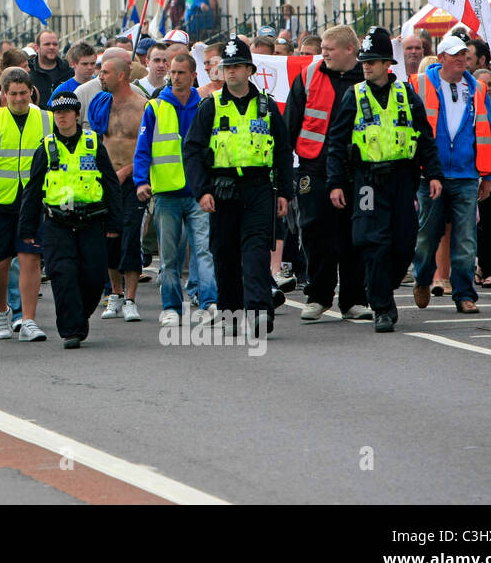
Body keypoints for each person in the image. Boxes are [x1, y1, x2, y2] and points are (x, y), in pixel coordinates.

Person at [326, 27, 444, 333]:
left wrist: (433, 174)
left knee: (404, 243)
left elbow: (426, 138)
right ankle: (380, 307)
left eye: (373, 61)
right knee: (372, 241)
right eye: (364, 61)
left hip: (403, 178)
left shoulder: (407, 95)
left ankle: (384, 285)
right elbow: (336, 143)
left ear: (387, 64)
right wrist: (336, 182)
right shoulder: (354, 96)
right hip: (367, 180)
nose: (366, 65)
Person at [184, 37, 294, 336]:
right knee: (225, 253)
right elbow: (192, 150)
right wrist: (202, 190)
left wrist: (284, 192)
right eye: (227, 67)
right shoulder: (211, 107)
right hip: (222, 190)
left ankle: (259, 310)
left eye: (237, 67)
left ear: (250, 70)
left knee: (256, 252)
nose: (231, 72)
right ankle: (230, 311)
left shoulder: (266, 106)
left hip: (259, 189)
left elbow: (283, 151)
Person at [19, 91, 120, 348]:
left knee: (94, 276)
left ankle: (78, 316)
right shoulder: (47, 146)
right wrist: (27, 227)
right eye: (57, 112)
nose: (61, 116)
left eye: (67, 112)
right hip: (57, 221)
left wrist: (115, 223)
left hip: (92, 220)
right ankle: (71, 331)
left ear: (77, 115)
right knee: (62, 273)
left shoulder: (93, 142)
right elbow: (33, 189)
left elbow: (110, 184)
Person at [286, 25, 371, 321]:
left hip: (357, 170)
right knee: (315, 231)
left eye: (330, 49)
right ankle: (318, 296)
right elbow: (291, 122)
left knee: (355, 235)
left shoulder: (366, 77)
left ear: (350, 49)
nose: (323, 53)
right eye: (322, 48)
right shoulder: (309, 75)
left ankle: (353, 299)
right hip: (315, 167)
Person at [409, 35, 491, 314]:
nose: (460, 58)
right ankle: (422, 278)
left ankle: (464, 294)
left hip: (466, 174)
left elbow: (485, 132)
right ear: (441, 57)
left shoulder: (478, 89)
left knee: (466, 238)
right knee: (427, 237)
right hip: (431, 175)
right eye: (454, 54)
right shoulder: (419, 83)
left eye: (464, 54)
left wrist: (487, 175)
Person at [134, 53, 218, 326]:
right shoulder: (155, 107)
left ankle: (209, 303)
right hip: (167, 192)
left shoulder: (206, 105)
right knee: (169, 257)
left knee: (204, 250)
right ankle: (171, 306)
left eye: (182, 72)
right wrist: (141, 180)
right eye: (173, 72)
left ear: (194, 76)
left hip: (198, 192)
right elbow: (143, 148)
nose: (175, 77)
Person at [0, 67, 52, 341]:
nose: (20, 99)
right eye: (14, 94)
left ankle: (28, 319)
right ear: (3, 94)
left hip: (33, 202)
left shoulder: (46, 119)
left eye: (24, 93)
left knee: (31, 259)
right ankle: (1, 311)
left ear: (31, 92)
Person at [91, 50, 149, 323]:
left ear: (122, 75)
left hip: (131, 182)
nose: (100, 76)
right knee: (108, 238)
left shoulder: (142, 106)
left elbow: (146, 147)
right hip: (105, 181)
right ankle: (114, 293)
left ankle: (131, 298)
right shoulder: (101, 103)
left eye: (105, 72)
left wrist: (126, 172)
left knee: (129, 238)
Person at [28, 30, 73, 106]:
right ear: (37, 47)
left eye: (55, 44)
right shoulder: (28, 71)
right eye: (47, 44)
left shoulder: (69, 71)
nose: (52, 47)